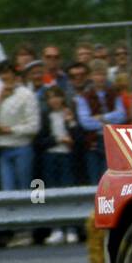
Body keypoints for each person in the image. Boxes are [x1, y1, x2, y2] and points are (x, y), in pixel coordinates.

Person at [0, 61, 39, 191]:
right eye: (1, 73)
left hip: (22, 148)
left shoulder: (27, 95)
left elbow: (34, 126)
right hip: (3, 149)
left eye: (7, 73)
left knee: (24, 189)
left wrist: (9, 130)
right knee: (7, 191)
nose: (4, 76)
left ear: (14, 74)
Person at [36, 86, 81, 243]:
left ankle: (71, 228)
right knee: (52, 192)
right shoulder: (45, 116)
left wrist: (71, 123)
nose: (54, 100)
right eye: (51, 97)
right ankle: (56, 229)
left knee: (68, 191)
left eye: (57, 96)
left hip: (67, 157)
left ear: (62, 98)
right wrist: (58, 140)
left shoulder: (69, 114)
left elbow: (78, 138)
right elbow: (40, 140)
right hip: (50, 156)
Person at [76, 59, 127, 184]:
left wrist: (102, 117)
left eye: (103, 74)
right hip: (93, 142)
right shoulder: (83, 97)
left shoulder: (114, 94)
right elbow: (85, 122)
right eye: (97, 74)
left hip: (111, 142)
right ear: (91, 76)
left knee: (112, 180)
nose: (100, 78)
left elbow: (121, 115)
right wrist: (110, 121)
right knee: (95, 180)